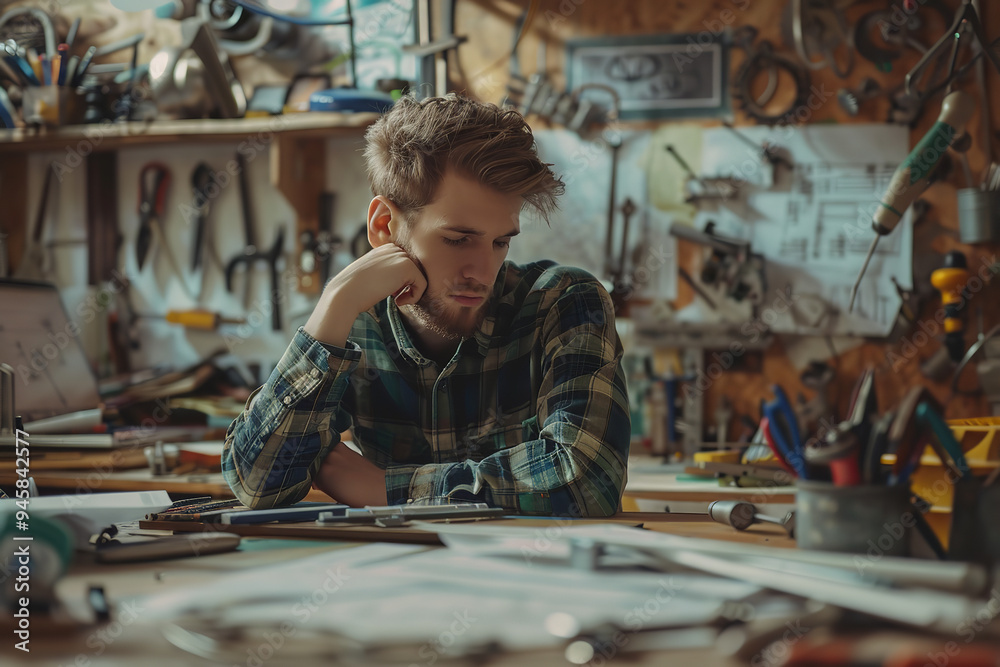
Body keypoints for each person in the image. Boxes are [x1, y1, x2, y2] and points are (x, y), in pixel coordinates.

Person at [222, 94, 630, 517]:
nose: (482, 272)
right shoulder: (354, 324)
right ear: (384, 226)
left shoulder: (563, 301)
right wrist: (335, 303)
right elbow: (258, 485)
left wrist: (384, 489)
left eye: (500, 242)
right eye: (457, 239)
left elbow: (589, 483)